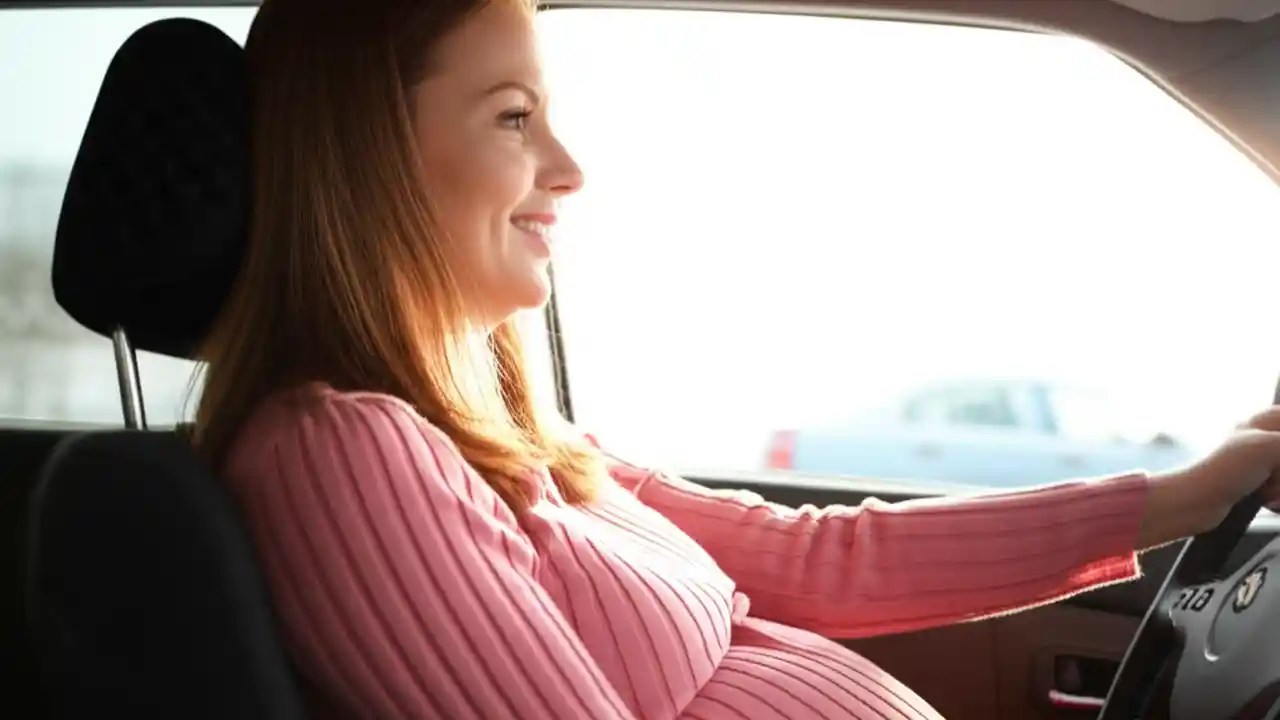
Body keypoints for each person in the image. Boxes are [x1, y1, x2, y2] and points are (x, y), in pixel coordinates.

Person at [193, 0, 1280, 717]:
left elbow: (809, 562)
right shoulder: (345, 453)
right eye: (513, 117)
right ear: (367, 155)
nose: (566, 170)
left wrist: (1182, 497)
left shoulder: (507, 443)